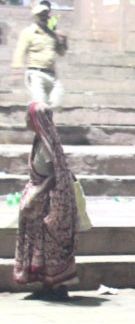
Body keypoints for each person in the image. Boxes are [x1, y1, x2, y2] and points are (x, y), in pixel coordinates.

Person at [13, 103, 77, 301]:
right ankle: (47, 285)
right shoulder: (40, 141)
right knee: (38, 244)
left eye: (28, 117)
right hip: (39, 203)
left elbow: (54, 176)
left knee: (50, 245)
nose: (25, 121)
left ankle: (58, 287)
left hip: (48, 204)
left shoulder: (48, 146)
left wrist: (35, 194)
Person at [12, 3, 68, 108]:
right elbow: (20, 51)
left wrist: (64, 40)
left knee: (57, 103)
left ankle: (37, 114)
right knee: (40, 104)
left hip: (51, 74)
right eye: (41, 15)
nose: (44, 18)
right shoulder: (28, 32)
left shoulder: (52, 34)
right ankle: (34, 115)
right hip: (35, 73)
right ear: (35, 17)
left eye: (45, 15)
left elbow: (61, 53)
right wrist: (17, 69)